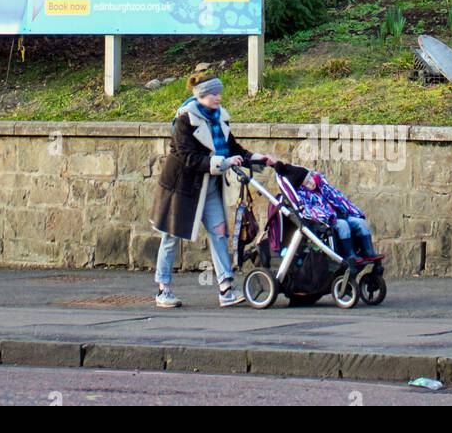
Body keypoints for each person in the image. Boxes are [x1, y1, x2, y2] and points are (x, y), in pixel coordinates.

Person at [150, 73, 271, 308]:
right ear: (201, 95)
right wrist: (222, 163)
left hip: (210, 187)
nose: (219, 97)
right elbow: (187, 156)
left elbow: (232, 148)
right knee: (171, 236)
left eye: (219, 92)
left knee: (219, 233)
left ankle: (226, 287)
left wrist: (256, 159)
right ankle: (163, 289)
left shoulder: (220, 118)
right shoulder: (185, 121)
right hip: (182, 188)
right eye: (214, 93)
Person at [274, 161, 377, 266]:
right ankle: (350, 254)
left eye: (310, 178)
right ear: (302, 187)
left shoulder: (322, 186)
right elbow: (311, 211)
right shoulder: (306, 197)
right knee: (343, 226)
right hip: (329, 220)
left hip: (341, 214)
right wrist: (329, 216)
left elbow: (337, 198)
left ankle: (368, 251)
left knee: (360, 222)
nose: (311, 182)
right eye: (307, 183)